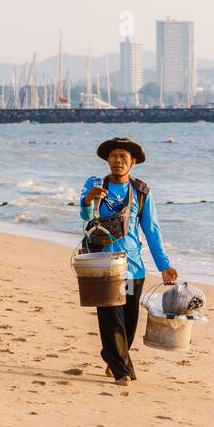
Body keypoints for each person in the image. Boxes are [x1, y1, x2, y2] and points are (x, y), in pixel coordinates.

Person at [79, 137, 177, 387]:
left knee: (128, 322)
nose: (118, 160)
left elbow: (151, 230)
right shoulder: (95, 184)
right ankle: (123, 370)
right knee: (110, 317)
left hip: (132, 267)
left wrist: (164, 265)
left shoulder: (142, 191)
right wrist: (89, 199)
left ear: (132, 162)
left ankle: (112, 357)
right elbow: (86, 216)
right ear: (107, 160)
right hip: (102, 265)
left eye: (123, 156)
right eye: (113, 156)